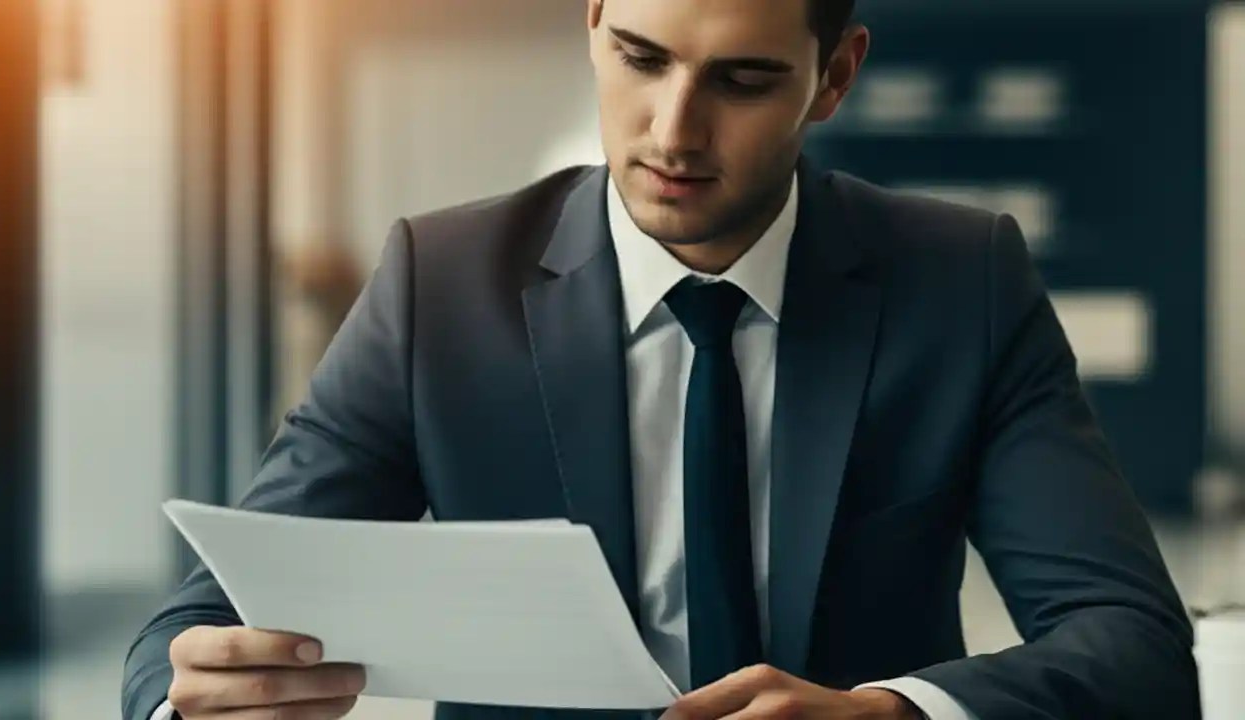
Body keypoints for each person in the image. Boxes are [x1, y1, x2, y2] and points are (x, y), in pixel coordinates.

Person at [122, 1, 1202, 718]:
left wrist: (887, 713)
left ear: (833, 79)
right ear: (593, 22)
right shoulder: (437, 283)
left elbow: (1133, 644)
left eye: (739, 81)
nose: (673, 133)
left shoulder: (958, 282)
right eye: (640, 59)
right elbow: (198, 620)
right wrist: (191, 696)